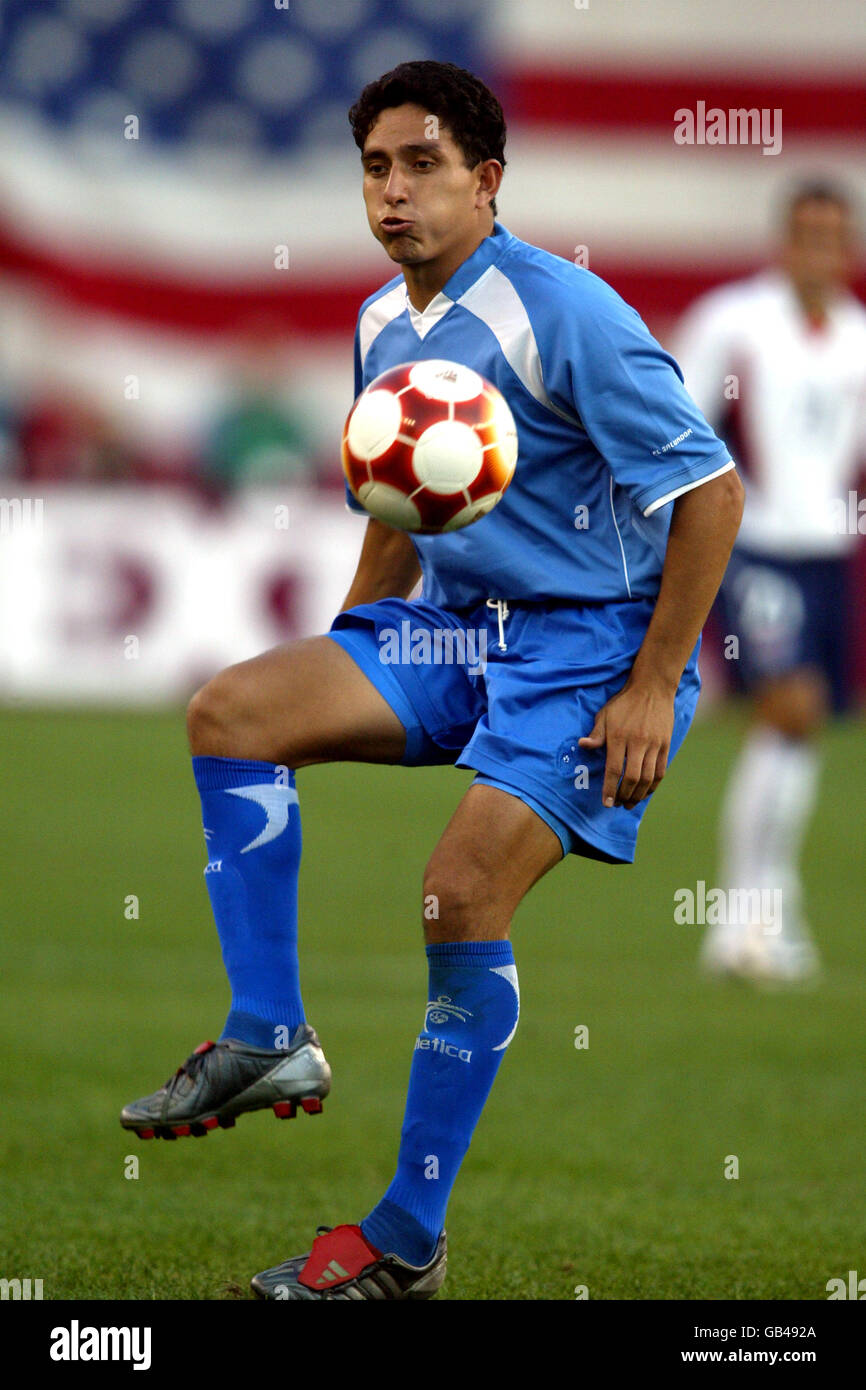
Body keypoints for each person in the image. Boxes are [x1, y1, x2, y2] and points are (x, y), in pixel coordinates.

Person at [120, 61, 743, 1300]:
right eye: (373, 168)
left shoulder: (563, 313)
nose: (392, 193)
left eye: (420, 165)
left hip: (591, 653)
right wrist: (353, 636)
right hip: (456, 632)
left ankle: (405, 1242)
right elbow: (400, 499)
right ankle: (268, 1035)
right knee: (233, 710)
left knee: (456, 895)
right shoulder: (374, 323)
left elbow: (711, 493)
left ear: (487, 180)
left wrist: (650, 682)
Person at [674, 181, 866, 983]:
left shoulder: (857, 334)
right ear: (783, 240)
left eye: (835, 233)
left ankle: (752, 917)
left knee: (802, 723)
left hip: (827, 549)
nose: (821, 247)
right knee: (787, 702)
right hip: (751, 544)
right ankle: (750, 923)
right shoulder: (734, 321)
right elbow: (679, 422)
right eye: (807, 232)